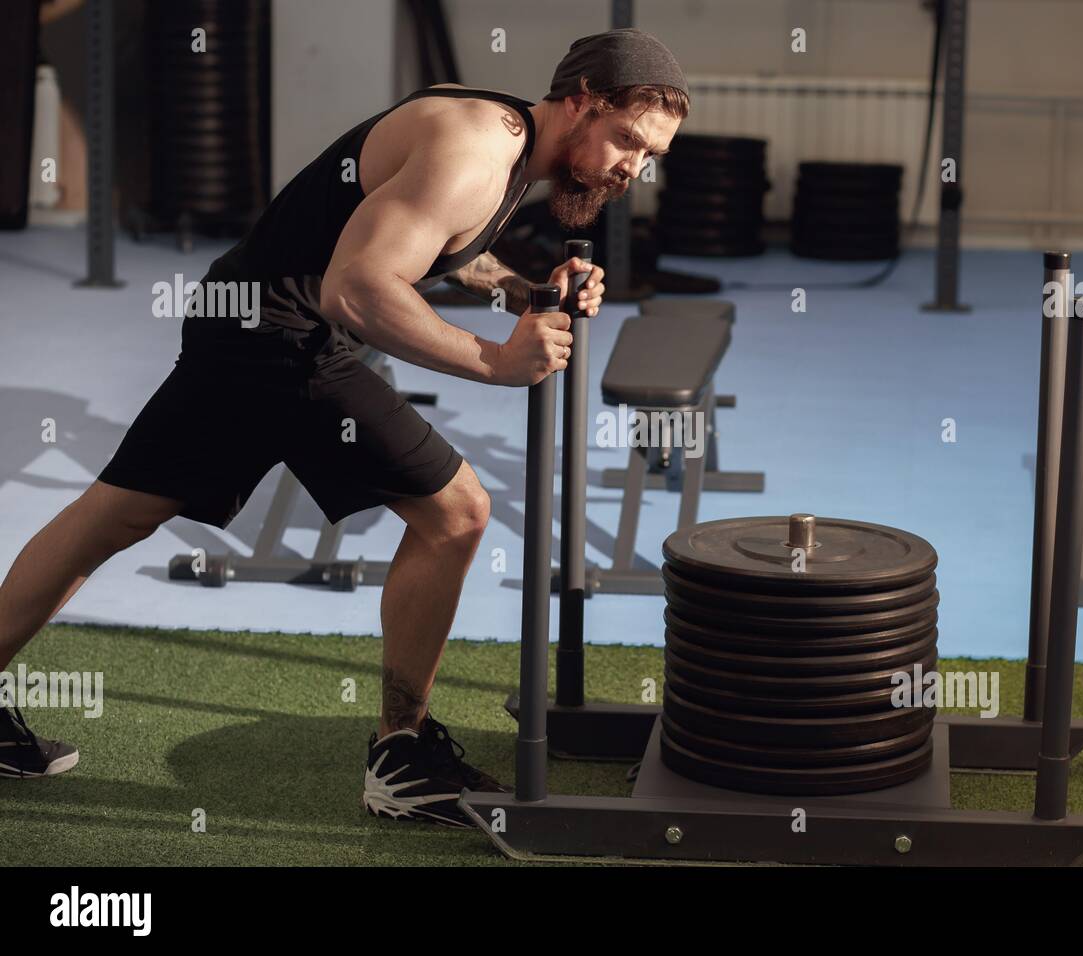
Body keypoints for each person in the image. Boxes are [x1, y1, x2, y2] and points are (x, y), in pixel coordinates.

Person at [0, 28, 687, 828]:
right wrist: (498, 362)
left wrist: (529, 293)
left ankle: (404, 749)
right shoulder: (475, 149)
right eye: (629, 141)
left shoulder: (500, 141)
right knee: (457, 513)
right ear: (579, 102)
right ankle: (404, 755)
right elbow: (357, 288)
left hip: (243, 321)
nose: (632, 170)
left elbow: (444, 247)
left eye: (650, 158)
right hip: (286, 338)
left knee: (118, 510)